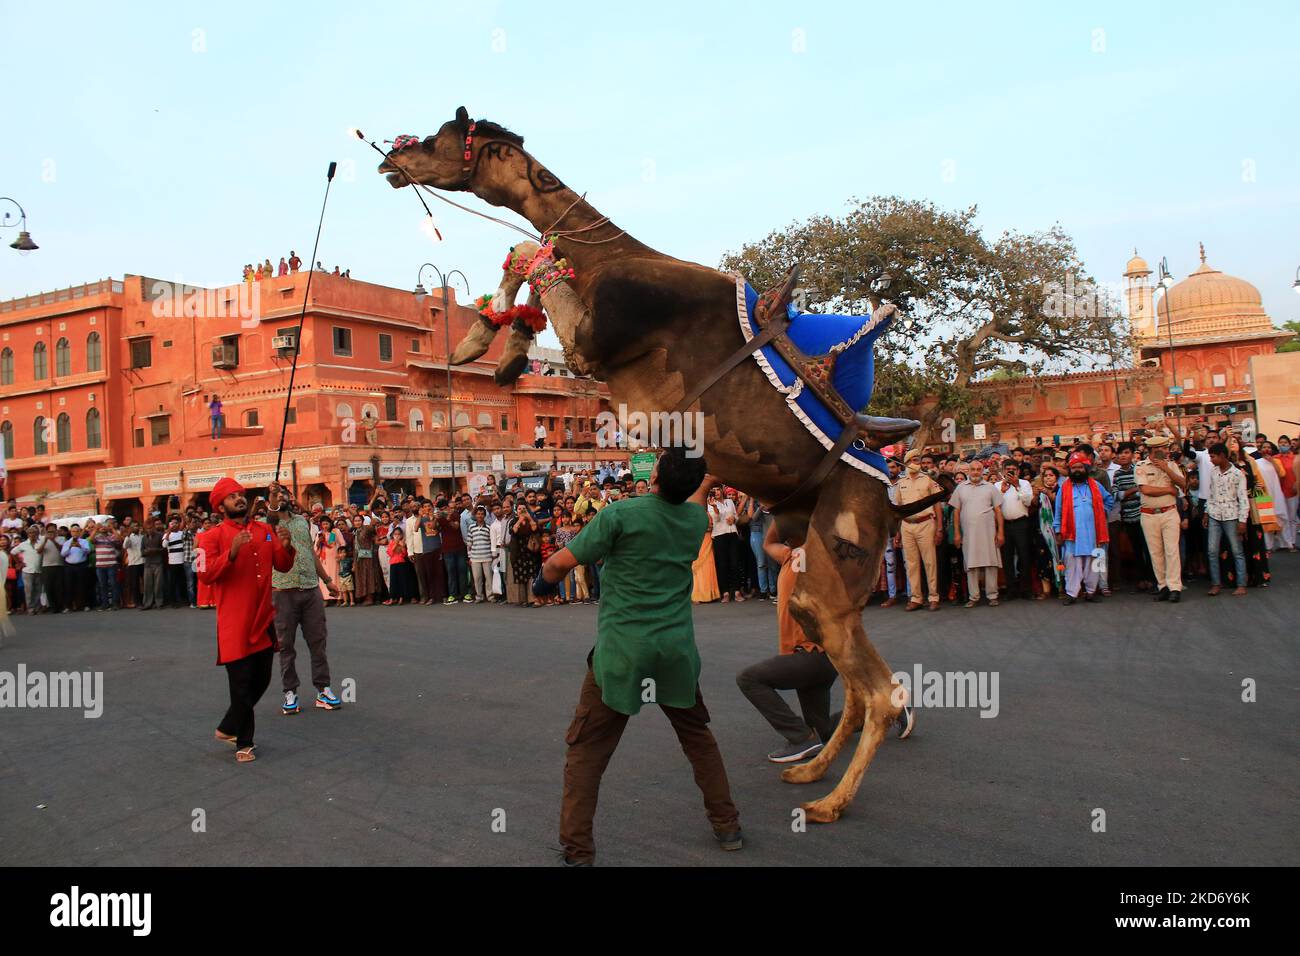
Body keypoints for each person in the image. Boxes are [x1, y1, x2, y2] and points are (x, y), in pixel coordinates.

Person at [537, 448, 742, 865]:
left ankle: (578, 850)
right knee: (698, 740)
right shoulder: (692, 520)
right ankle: (727, 826)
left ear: (656, 477)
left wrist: (543, 585)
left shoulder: (620, 514)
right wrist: (707, 475)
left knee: (587, 751)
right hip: (675, 653)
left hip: (622, 653)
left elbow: (560, 562)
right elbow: (696, 495)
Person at [198, 477, 296, 763]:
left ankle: (229, 725)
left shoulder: (265, 530)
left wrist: (287, 546)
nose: (239, 499)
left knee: (262, 679)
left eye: (241, 495)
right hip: (234, 622)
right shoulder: (210, 537)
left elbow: (283, 565)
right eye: (232, 497)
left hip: (263, 617)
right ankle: (245, 741)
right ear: (220, 506)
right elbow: (204, 574)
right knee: (240, 683)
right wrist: (231, 553)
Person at [736, 522, 840, 763]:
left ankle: (801, 739)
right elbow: (768, 542)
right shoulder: (790, 556)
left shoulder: (814, 555)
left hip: (812, 656)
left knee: (749, 678)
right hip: (820, 659)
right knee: (823, 730)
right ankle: (885, 709)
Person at [269, 485, 342, 715]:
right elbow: (271, 509)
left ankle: (323, 689)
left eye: (283, 493)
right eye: (276, 495)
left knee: (318, 642)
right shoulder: (268, 525)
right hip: (283, 590)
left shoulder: (301, 521)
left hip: (311, 589)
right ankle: (290, 691)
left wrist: (327, 580)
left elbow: (310, 553)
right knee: (286, 645)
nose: (281, 497)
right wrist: (272, 497)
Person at [1053, 452, 1115, 605]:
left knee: (1094, 562)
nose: (1077, 470)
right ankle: (1072, 594)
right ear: (1070, 469)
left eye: (1080, 467)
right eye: (1074, 468)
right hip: (1071, 534)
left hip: (1094, 534)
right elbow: (1058, 510)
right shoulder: (1064, 488)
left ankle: (1091, 592)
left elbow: (1109, 499)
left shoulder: (1095, 485)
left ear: (1086, 468)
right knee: (1072, 564)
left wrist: (1103, 512)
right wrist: (1058, 530)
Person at [1136, 435, 1187, 603]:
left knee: (1172, 551)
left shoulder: (1171, 465)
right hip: (1149, 514)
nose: (1166, 451)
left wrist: (1167, 469)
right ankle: (1162, 586)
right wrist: (1169, 490)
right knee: (1155, 552)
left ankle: (1174, 587)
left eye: (1166, 448)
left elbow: (1183, 483)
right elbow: (1145, 489)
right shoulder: (1141, 465)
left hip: (1169, 512)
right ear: (1152, 450)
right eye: (1162, 449)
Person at [895, 449, 944, 611]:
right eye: (912, 460)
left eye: (917, 460)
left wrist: (939, 528)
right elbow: (898, 509)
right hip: (907, 525)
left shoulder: (928, 480)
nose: (915, 463)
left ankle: (933, 597)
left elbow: (937, 504)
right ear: (907, 463)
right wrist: (897, 532)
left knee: (930, 562)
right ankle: (916, 598)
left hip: (925, 524)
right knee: (911, 564)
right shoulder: (901, 483)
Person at [950, 460, 1003, 607]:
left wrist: (1000, 533)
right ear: (968, 471)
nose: (975, 472)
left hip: (989, 532)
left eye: (978, 469)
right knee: (971, 565)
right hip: (969, 534)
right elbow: (956, 511)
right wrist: (956, 533)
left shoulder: (990, 488)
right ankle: (974, 597)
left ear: (982, 471)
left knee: (991, 563)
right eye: (972, 469)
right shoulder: (960, 488)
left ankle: (992, 595)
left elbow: (998, 511)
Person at [1204, 441, 1249, 597]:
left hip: (1232, 516)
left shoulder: (1238, 474)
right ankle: (1216, 583)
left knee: (1237, 551)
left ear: (1222, 456)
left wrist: (1243, 520)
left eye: (1213, 456)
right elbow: (1211, 494)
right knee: (1212, 551)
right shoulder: (1213, 472)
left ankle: (1241, 584)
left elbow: (1243, 498)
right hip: (1214, 514)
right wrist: (1206, 512)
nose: (1211, 459)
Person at [707, 486, 745, 603]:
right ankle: (725, 592)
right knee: (722, 565)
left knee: (735, 563)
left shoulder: (729, 502)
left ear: (721, 490)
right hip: (719, 535)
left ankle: (737, 591)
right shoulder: (710, 504)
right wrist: (714, 507)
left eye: (718, 489)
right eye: (714, 490)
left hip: (732, 533)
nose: (716, 492)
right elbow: (716, 519)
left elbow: (736, 515)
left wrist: (734, 518)